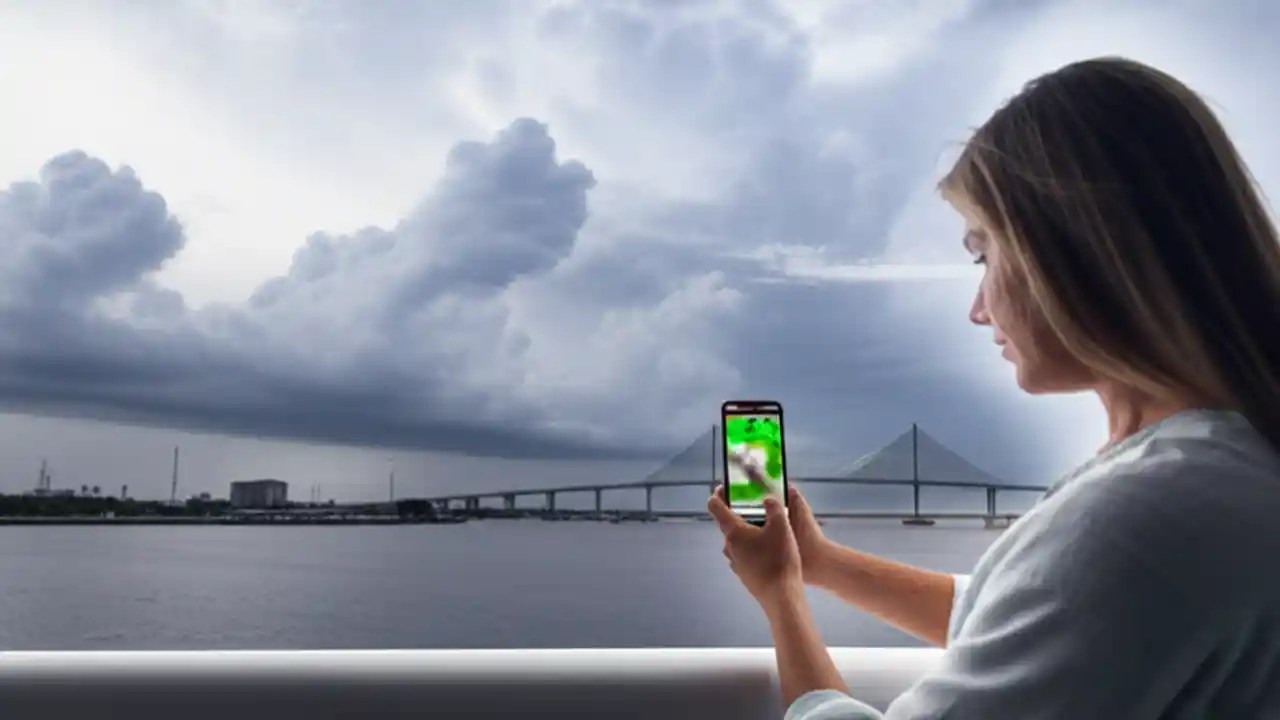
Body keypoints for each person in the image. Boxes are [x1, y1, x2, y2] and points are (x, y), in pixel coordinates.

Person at [708, 56, 1280, 718]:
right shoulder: (1227, 468)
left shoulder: (1148, 515)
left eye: (983, 255)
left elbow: (1073, 594)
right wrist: (819, 562)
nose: (978, 310)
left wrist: (782, 598)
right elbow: (1045, 616)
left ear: (1071, 251)